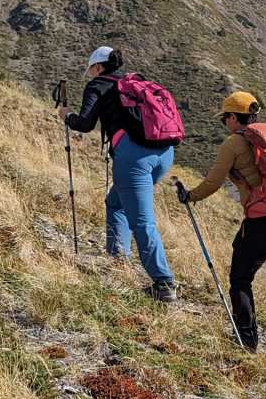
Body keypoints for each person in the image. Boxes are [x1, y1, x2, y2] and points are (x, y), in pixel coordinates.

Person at [175, 91, 266, 371]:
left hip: (261, 225)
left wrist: (190, 196)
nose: (225, 122)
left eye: (226, 117)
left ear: (234, 117)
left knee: (240, 280)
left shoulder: (234, 143)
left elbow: (213, 181)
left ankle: (246, 342)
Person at [60, 46, 178, 302]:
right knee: (116, 202)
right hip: (165, 153)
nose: (90, 74)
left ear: (98, 67)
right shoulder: (135, 81)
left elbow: (85, 123)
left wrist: (66, 116)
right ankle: (117, 259)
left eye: (90, 69)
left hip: (133, 157)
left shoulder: (97, 85)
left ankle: (163, 282)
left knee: (142, 221)